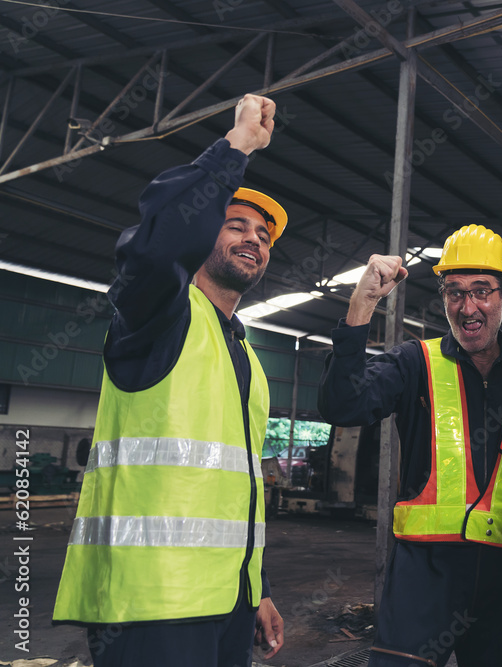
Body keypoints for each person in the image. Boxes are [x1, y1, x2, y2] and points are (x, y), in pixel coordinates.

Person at [53, 94, 285, 666]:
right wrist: (234, 150)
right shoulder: (159, 315)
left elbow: (237, 493)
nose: (253, 238)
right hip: (150, 605)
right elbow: (156, 250)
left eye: (263, 234)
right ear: (204, 231)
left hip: (226, 603)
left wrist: (256, 590)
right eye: (235, 225)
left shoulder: (246, 358)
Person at [318, 225, 502, 666]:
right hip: (426, 575)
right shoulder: (413, 362)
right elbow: (343, 405)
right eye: (454, 292)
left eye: (482, 291)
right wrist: (361, 306)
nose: (468, 306)